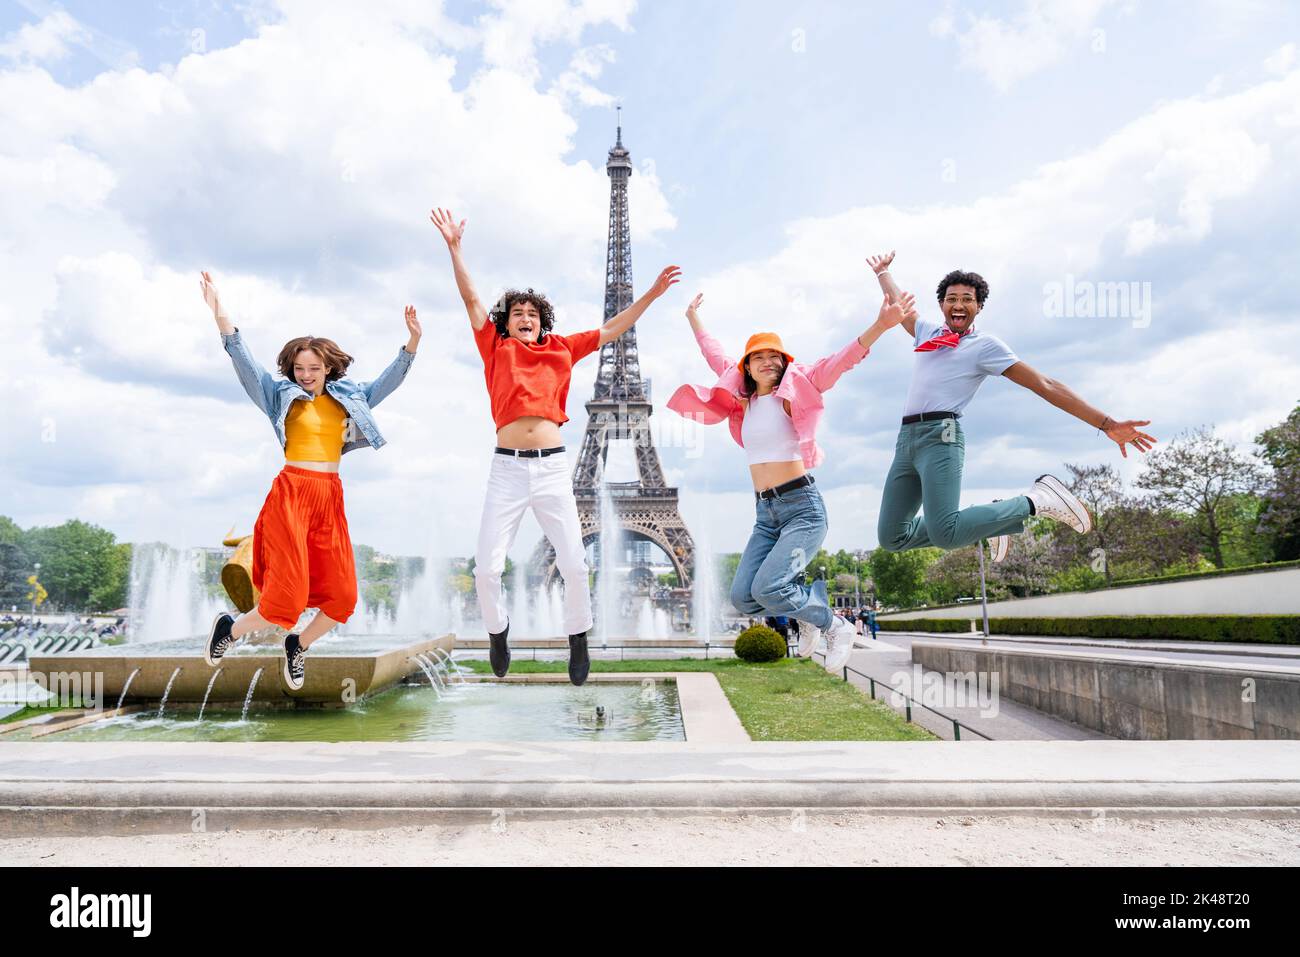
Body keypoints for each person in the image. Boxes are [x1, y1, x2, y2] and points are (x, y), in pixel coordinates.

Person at [431, 207, 680, 685]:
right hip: (506, 468)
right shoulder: (494, 345)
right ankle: (498, 630)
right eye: (517, 313)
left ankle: (578, 636)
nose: (524, 318)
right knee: (487, 569)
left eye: (532, 313)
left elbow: (613, 329)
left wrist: (650, 293)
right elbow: (469, 297)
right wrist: (455, 248)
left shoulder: (563, 347)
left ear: (543, 321)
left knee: (574, 563)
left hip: (552, 468)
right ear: (507, 323)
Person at [667, 290, 917, 671]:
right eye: (758, 356)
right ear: (747, 367)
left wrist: (882, 324)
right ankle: (804, 609)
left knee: (768, 587)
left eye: (775, 356)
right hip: (765, 514)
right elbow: (714, 355)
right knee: (742, 597)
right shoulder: (742, 401)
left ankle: (837, 625)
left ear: (784, 364)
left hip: (802, 509)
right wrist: (692, 318)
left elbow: (841, 361)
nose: (767, 361)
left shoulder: (799, 389)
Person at [199, 271, 419, 690]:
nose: (305, 374)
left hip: (329, 497)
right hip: (291, 494)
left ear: (328, 368)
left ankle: (298, 644)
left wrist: (411, 344)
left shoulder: (348, 398)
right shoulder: (277, 394)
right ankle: (229, 630)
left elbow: (388, 383)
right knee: (286, 597)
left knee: (342, 598)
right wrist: (218, 310)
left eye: (313, 368)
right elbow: (243, 361)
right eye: (298, 368)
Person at [866, 252, 1156, 563]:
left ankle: (1034, 501)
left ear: (979, 307)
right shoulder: (928, 333)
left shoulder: (985, 347)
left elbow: (1044, 385)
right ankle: (990, 524)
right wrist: (883, 273)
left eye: (967, 299)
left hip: (942, 435)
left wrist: (1107, 423)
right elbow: (900, 307)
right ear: (942, 305)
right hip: (906, 439)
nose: (959, 305)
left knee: (946, 534)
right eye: (952, 299)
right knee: (893, 536)